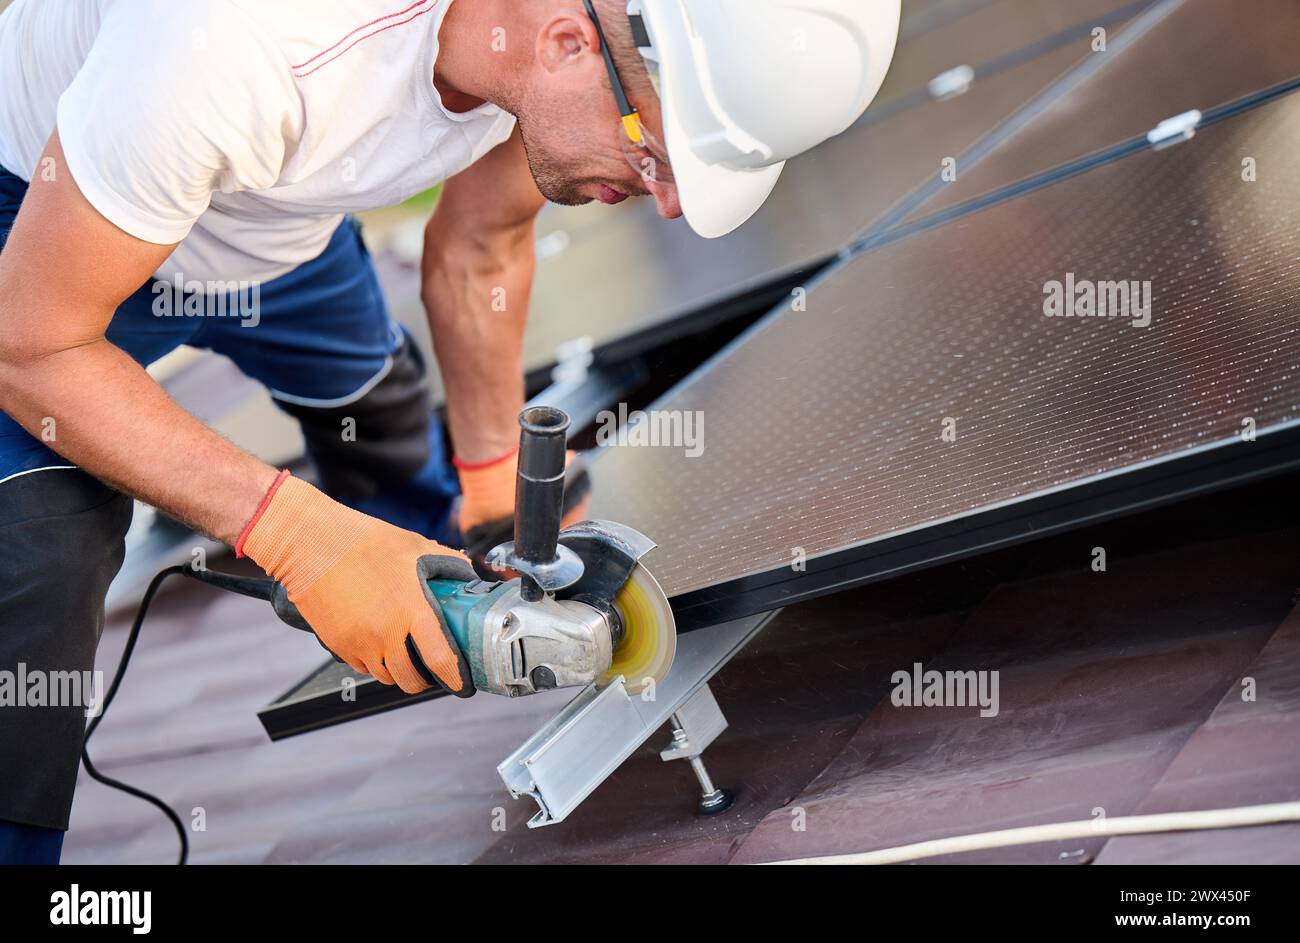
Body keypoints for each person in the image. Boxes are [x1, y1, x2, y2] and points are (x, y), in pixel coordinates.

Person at [0, 0, 899, 862]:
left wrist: (495, 475)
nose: (665, 205)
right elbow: (30, 346)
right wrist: (299, 540)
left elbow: (478, 247)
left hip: (267, 222)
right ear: (562, 47)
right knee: (42, 555)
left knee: (385, 429)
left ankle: (440, 597)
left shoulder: (558, 40)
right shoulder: (225, 41)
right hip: (45, 223)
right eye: (658, 159)